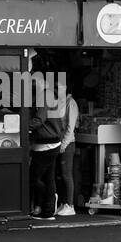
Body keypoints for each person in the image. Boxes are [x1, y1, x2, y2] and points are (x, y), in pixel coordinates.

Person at [28, 71, 66, 220]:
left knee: (32, 178)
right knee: (48, 178)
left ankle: (50, 199)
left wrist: (23, 127)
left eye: (33, 83)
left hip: (46, 145)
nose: (31, 86)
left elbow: (39, 119)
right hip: (52, 142)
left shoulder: (44, 96)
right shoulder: (50, 96)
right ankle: (48, 211)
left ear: (41, 83)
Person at [56, 87, 80, 216]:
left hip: (68, 144)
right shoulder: (59, 102)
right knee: (60, 175)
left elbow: (70, 127)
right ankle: (62, 203)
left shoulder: (71, 103)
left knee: (66, 174)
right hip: (59, 143)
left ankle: (70, 205)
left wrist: (64, 144)